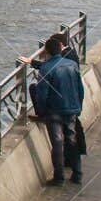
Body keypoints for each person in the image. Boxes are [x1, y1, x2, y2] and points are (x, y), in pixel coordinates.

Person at [30, 34, 85, 186]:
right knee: (72, 141)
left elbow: (42, 94)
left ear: (47, 52)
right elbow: (80, 88)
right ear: (60, 49)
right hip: (72, 109)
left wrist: (42, 112)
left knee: (58, 143)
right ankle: (78, 174)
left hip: (54, 111)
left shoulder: (46, 68)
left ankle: (59, 177)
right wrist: (78, 106)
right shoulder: (72, 65)